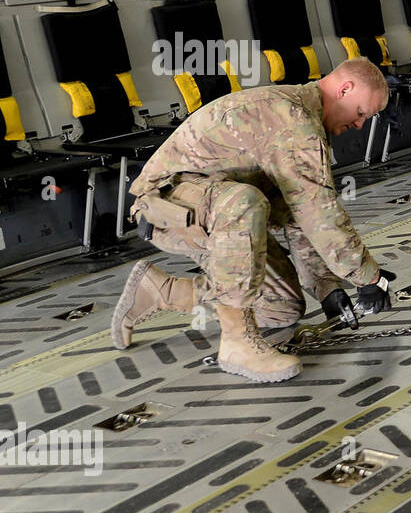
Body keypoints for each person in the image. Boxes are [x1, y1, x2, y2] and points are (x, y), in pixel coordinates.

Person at [111, 59, 395, 383]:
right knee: (243, 203)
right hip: (169, 208)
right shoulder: (293, 121)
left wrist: (327, 286)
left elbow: (298, 214)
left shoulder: (304, 118)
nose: (359, 125)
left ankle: (162, 290)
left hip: (208, 210)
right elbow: (319, 213)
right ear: (345, 89)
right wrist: (366, 278)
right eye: (360, 113)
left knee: (281, 308)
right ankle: (237, 346)